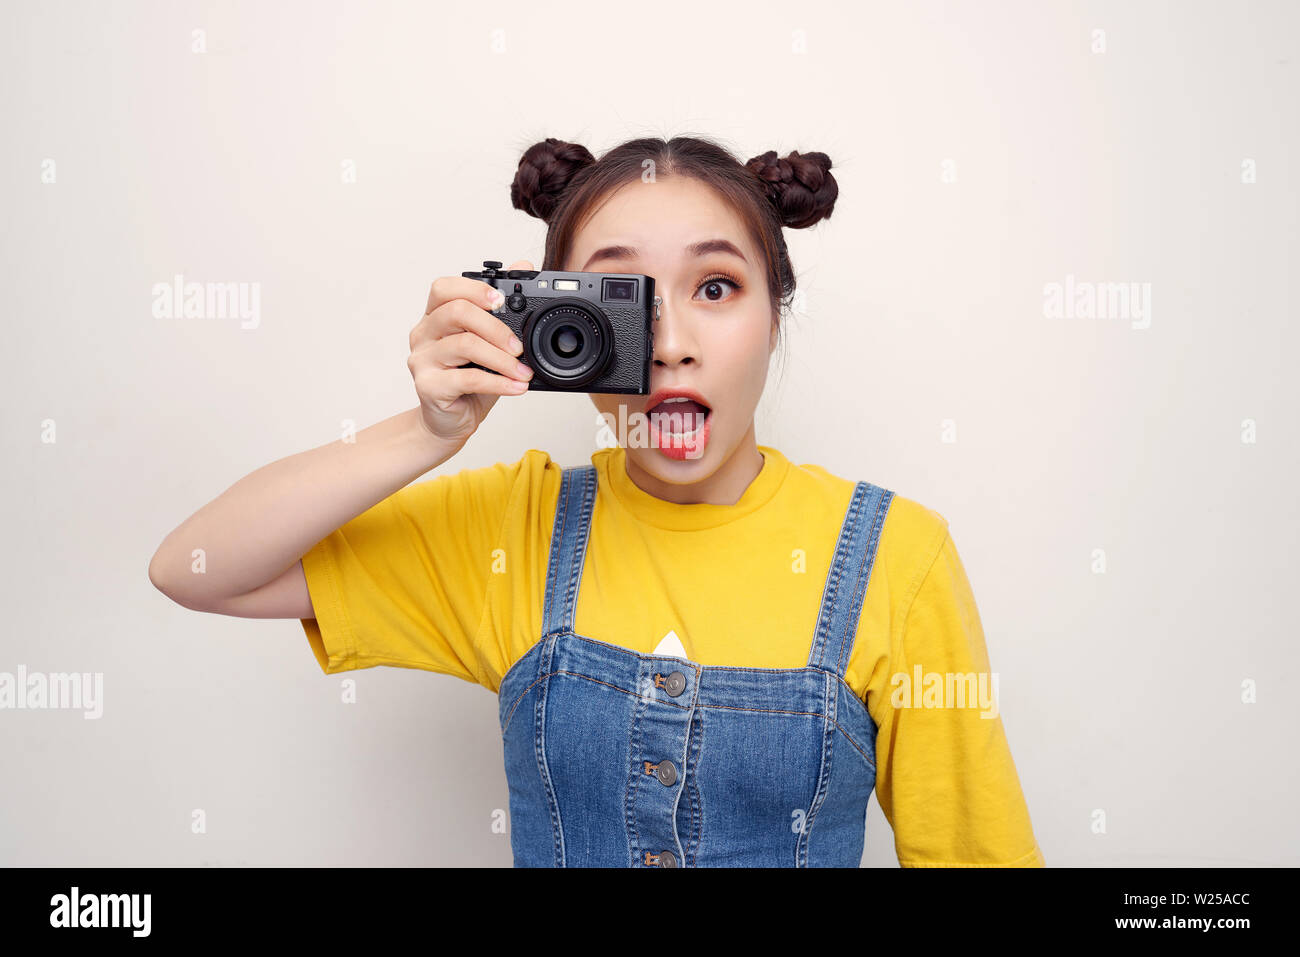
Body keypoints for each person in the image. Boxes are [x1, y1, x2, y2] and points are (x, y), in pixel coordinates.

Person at [149, 134, 1044, 868]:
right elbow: (195, 569)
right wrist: (426, 434)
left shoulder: (895, 554)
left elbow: (977, 855)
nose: (673, 345)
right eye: (626, 301)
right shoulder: (516, 529)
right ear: (553, 325)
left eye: (717, 287)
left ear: (777, 312)